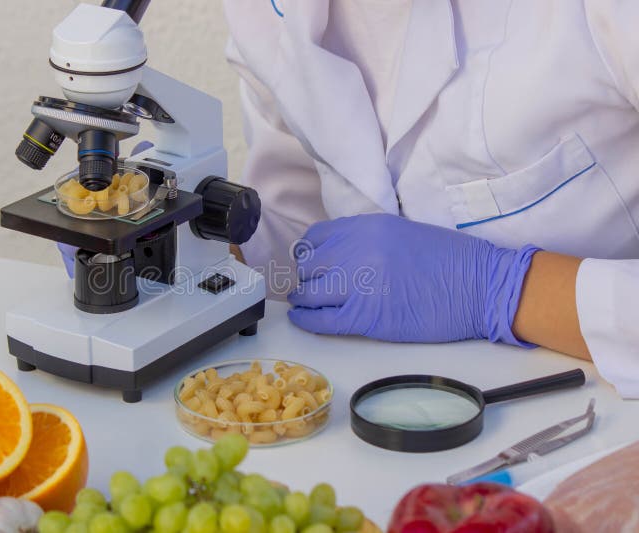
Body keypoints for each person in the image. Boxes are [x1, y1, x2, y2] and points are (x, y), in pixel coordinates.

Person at [220, 0, 639, 398]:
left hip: (596, 416)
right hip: (373, 421)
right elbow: (292, 227)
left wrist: (499, 289)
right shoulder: (267, 14)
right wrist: (197, 254)